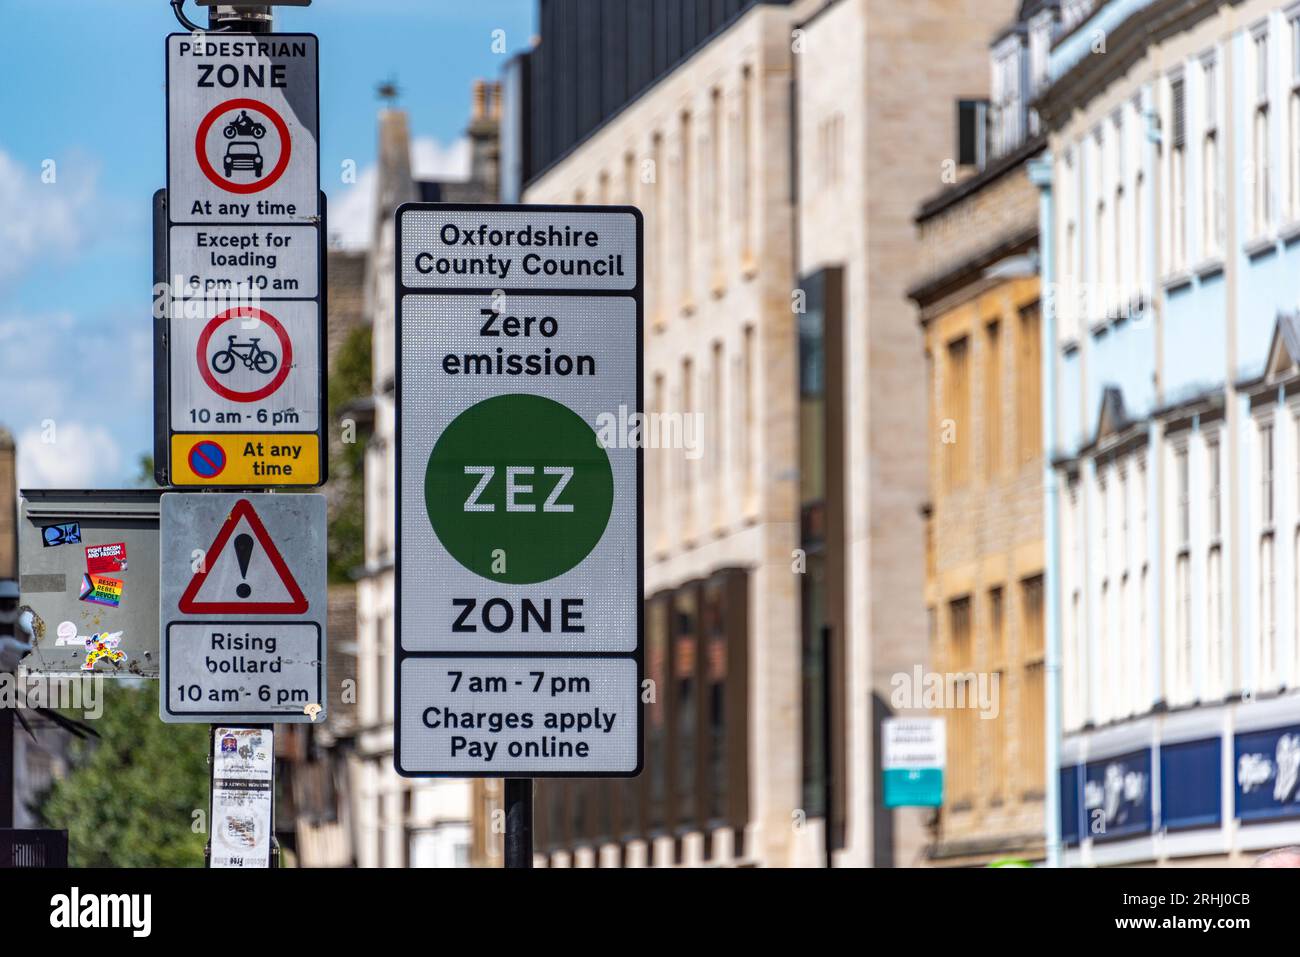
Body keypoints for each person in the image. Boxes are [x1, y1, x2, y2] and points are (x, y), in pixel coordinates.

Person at [0, 579, 33, 673]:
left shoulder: (27, 620)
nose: (6, 606)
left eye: (10, 603)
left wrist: (19, 662)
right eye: (3, 602)